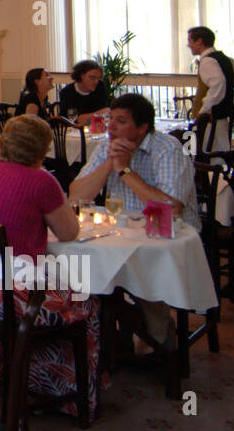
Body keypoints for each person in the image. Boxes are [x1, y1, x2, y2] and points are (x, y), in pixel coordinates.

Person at [0, 115, 101, 420]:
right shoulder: (41, 181)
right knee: (89, 298)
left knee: (52, 283)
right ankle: (65, 393)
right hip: (9, 296)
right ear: (42, 149)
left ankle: (13, 368)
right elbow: (69, 232)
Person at [69, 93, 196, 353]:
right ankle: (108, 344)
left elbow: (171, 210)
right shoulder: (107, 147)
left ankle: (162, 344)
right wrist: (110, 164)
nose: (111, 127)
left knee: (143, 273)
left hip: (167, 236)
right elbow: (76, 196)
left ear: (142, 128)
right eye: (110, 119)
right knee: (81, 272)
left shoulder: (168, 149)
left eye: (121, 121)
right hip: (121, 233)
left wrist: (125, 170)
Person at [187, 26, 234, 148]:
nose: (189, 45)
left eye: (190, 41)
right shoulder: (226, 60)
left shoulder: (207, 61)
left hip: (210, 120)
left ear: (199, 41)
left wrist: (203, 111)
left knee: (207, 153)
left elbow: (218, 85)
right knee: (220, 152)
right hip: (222, 118)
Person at [58, 60, 109, 125]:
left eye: (98, 78)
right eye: (93, 77)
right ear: (81, 75)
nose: (96, 82)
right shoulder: (67, 92)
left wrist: (85, 118)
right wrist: (95, 115)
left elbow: (103, 116)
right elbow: (70, 121)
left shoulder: (100, 87)